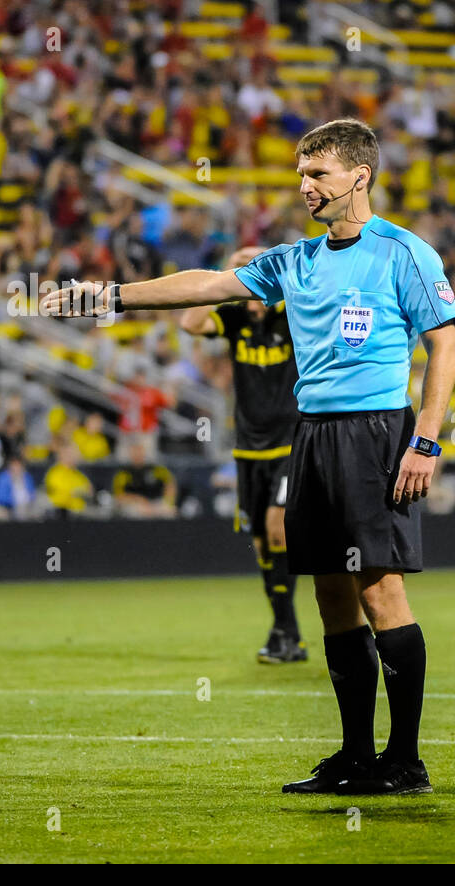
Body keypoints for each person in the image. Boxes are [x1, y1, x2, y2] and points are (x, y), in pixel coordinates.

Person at [41, 118, 455, 796]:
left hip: (377, 433)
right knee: (330, 592)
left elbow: (445, 346)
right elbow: (207, 284)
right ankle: (355, 754)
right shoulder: (295, 261)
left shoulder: (403, 253)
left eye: (317, 174)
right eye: (301, 174)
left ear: (360, 176)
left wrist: (426, 440)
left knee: (381, 590)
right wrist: (110, 296)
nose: (305, 186)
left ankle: (404, 760)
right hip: (313, 434)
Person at [178, 247, 305, 663]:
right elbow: (189, 321)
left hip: (289, 441)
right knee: (261, 545)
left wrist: (270, 266)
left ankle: (285, 632)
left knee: (277, 528)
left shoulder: (289, 317)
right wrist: (226, 274)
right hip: (248, 448)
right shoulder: (232, 321)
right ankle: (286, 632)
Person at [112, 437, 177, 518]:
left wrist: (167, 501)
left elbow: (170, 483)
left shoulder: (156, 469)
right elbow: (119, 496)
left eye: (140, 451)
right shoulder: (123, 473)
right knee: (133, 512)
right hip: (134, 505)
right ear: (130, 454)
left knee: (170, 511)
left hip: (156, 503)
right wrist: (138, 500)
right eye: (134, 452)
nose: (137, 454)